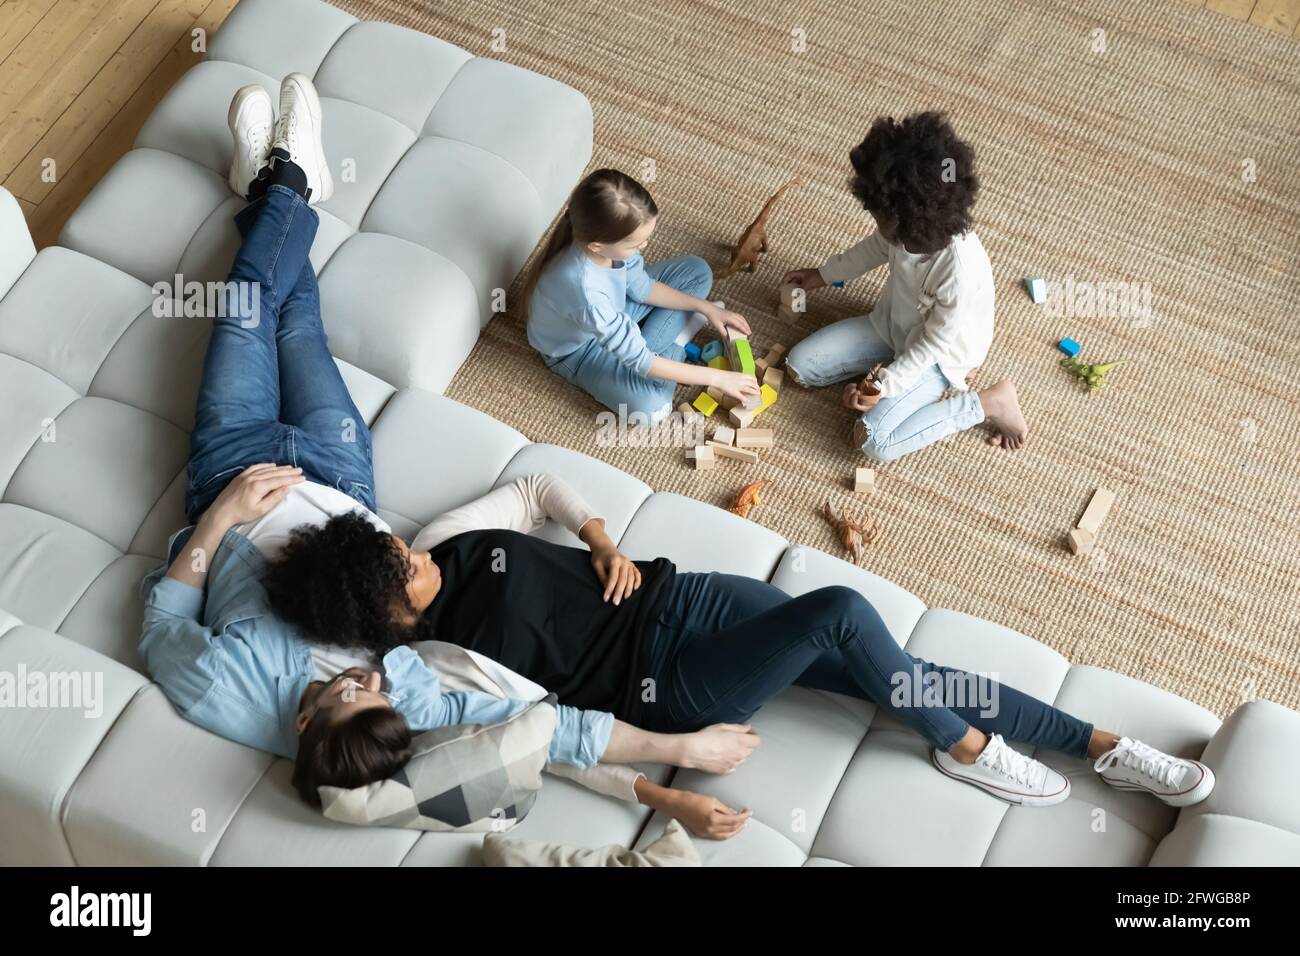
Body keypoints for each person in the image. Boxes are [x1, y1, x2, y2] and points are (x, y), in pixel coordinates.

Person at [139, 74, 756, 841]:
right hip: (340, 472)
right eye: (372, 691)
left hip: (230, 474)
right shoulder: (404, 689)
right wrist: (674, 768)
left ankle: (280, 181)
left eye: (345, 691)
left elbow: (163, 620)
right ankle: (286, 179)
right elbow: (542, 732)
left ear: (304, 716)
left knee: (245, 305)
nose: (364, 680)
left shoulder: (227, 690)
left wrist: (224, 517)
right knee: (297, 317)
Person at [269, 477, 1218, 813]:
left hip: (684, 599)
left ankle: (1107, 752)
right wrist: (669, 772)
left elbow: (533, 490)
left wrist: (601, 541)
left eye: (401, 546)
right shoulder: (441, 663)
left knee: (908, 674)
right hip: (668, 680)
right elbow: (545, 740)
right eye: (403, 571)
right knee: (843, 611)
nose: (417, 557)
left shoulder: (449, 543)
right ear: (385, 610)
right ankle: (971, 752)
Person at [782, 111, 1029, 461]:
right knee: (800, 366)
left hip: (940, 358)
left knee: (873, 442)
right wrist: (821, 275)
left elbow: (934, 344)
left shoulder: (960, 272)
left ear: (910, 222)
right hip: (890, 326)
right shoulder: (901, 229)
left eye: (882, 221)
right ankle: (886, 370)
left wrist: (884, 385)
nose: (878, 226)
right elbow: (872, 250)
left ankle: (988, 402)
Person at [522, 168, 760, 423]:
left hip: (615, 309)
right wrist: (718, 378)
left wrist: (706, 308)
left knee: (698, 272)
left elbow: (642, 288)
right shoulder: (585, 293)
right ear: (597, 246)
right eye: (635, 245)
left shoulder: (603, 247)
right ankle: (675, 346)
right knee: (653, 410)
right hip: (579, 351)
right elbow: (641, 360)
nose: (644, 248)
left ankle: (660, 344)